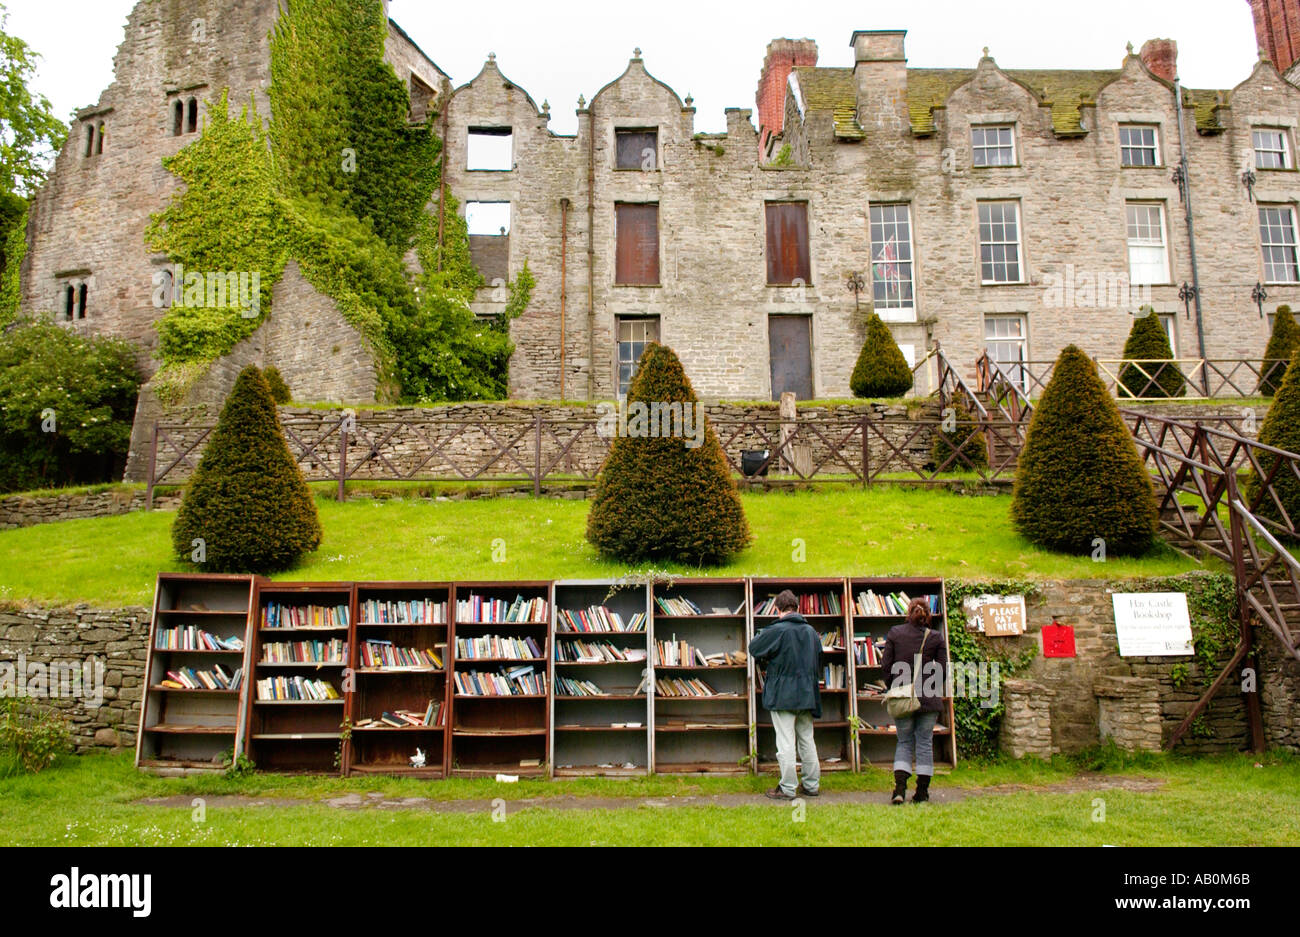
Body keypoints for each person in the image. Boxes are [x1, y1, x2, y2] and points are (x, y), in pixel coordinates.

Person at [750, 589, 821, 800]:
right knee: (807, 739)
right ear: (797, 608)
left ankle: (788, 788)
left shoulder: (777, 629)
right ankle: (811, 785)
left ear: (778, 609)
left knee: (786, 742)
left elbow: (754, 648)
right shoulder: (811, 631)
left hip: (783, 694)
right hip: (808, 694)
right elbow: (818, 659)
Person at [880, 597, 946, 804]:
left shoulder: (895, 633)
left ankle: (899, 790)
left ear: (908, 613)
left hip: (902, 697)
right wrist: (930, 687)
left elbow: (886, 666)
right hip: (928, 698)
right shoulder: (936, 637)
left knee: (904, 741)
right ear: (928, 615)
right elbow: (943, 669)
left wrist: (895, 686)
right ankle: (922, 793)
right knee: (925, 743)